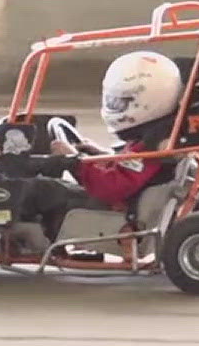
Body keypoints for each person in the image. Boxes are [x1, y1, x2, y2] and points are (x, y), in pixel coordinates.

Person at [13, 50, 184, 242]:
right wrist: (98, 153)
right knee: (46, 186)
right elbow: (128, 170)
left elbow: (112, 187)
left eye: (118, 102)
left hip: (116, 210)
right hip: (120, 200)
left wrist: (74, 161)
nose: (113, 106)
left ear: (148, 101)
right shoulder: (162, 134)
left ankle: (16, 237)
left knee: (37, 189)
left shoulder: (154, 146)